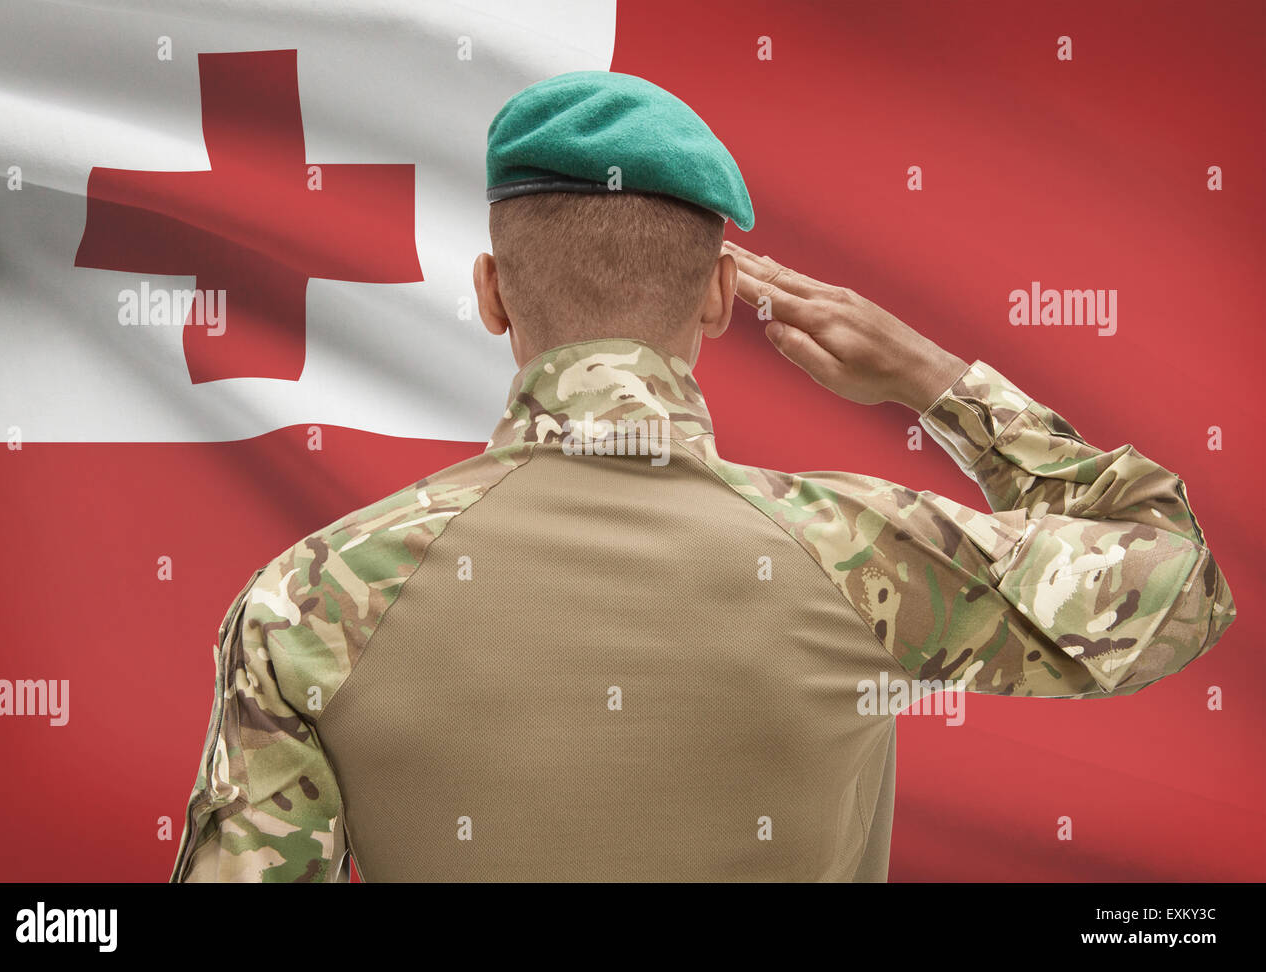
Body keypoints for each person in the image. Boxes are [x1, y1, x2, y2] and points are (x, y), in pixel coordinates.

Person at [169, 71, 1235, 882]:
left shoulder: (307, 598)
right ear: (723, 296)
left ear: (492, 294)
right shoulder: (860, 553)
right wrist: (932, 378)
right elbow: (1178, 582)